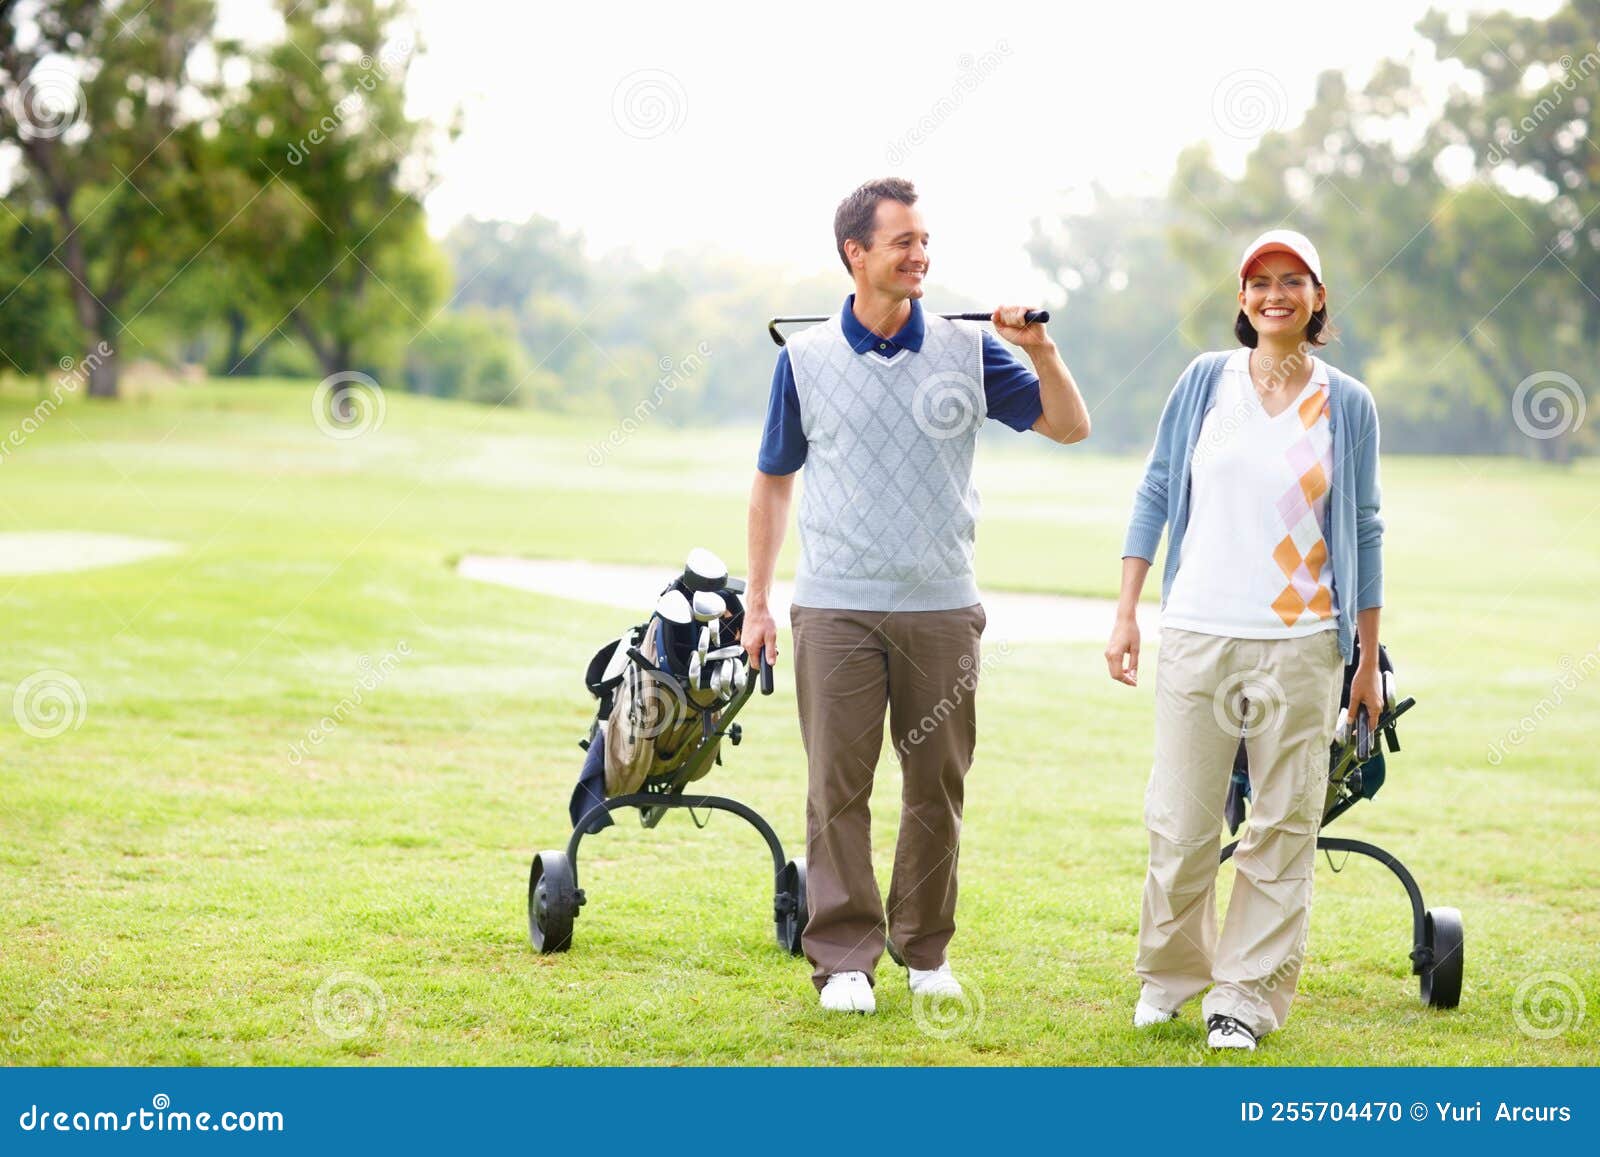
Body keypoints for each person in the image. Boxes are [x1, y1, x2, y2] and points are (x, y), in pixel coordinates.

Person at [742, 177, 1091, 1013]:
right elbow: (772, 482)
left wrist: (1039, 349)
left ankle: (926, 949)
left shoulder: (971, 352)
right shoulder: (806, 359)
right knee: (838, 786)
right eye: (902, 240)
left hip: (941, 604)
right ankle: (845, 958)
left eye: (925, 239)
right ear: (856, 254)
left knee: (936, 781)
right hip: (835, 606)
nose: (920, 253)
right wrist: (758, 599)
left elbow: (1070, 425)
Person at [1105, 229, 1385, 1050]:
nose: (1275, 294)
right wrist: (1126, 609)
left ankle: (1244, 997)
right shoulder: (1203, 383)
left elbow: (1364, 529)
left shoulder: (1347, 402)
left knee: (1281, 825)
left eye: (1292, 280)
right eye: (1260, 281)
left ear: (1318, 296)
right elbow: (1157, 488)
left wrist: (1365, 659)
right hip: (1197, 630)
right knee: (1184, 820)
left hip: (1303, 645)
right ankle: (1170, 973)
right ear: (1241, 298)